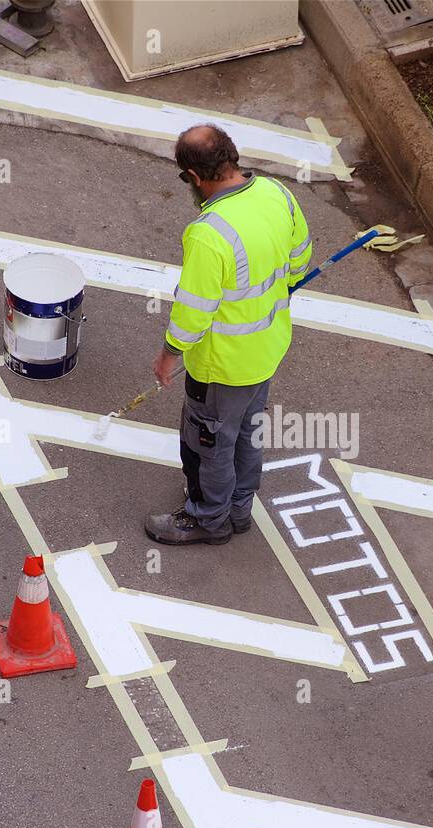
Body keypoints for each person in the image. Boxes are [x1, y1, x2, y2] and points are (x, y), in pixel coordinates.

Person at [146, 124, 312, 545]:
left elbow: (194, 311)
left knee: (207, 445)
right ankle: (239, 509)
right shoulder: (277, 193)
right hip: (266, 350)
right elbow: (300, 258)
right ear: (231, 157)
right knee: (246, 433)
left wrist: (169, 354)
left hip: (221, 366)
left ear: (195, 177)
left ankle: (207, 518)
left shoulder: (209, 232)